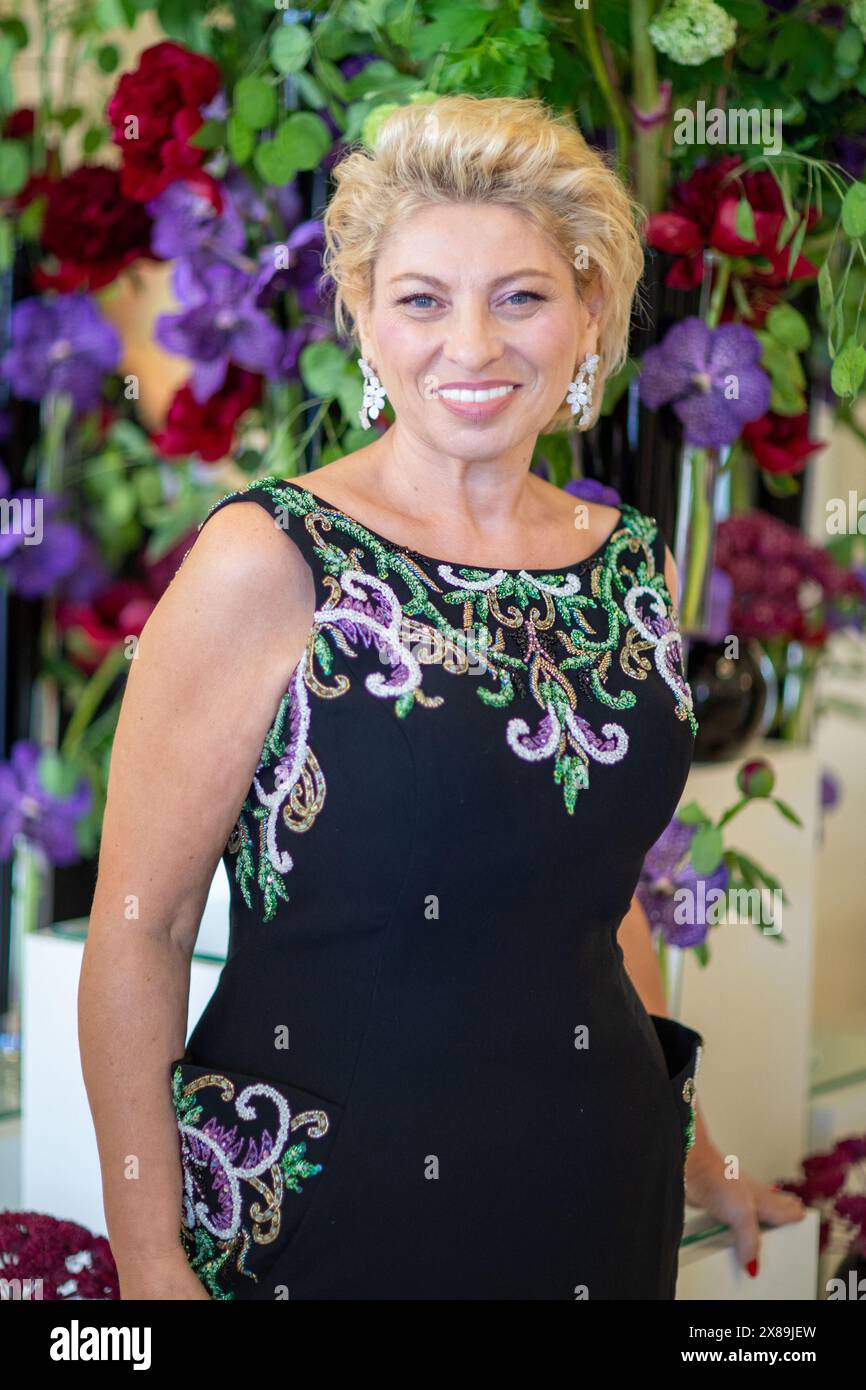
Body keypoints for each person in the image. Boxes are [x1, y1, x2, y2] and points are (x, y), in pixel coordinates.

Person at [79, 93, 805, 1300]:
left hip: (594, 1192)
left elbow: (595, 892)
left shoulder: (630, 562)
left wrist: (697, 1155)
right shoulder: (267, 558)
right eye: (421, 298)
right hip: (323, 1209)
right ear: (363, 318)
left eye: (519, 295)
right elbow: (137, 934)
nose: (471, 344)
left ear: (588, 316)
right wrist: (152, 1264)